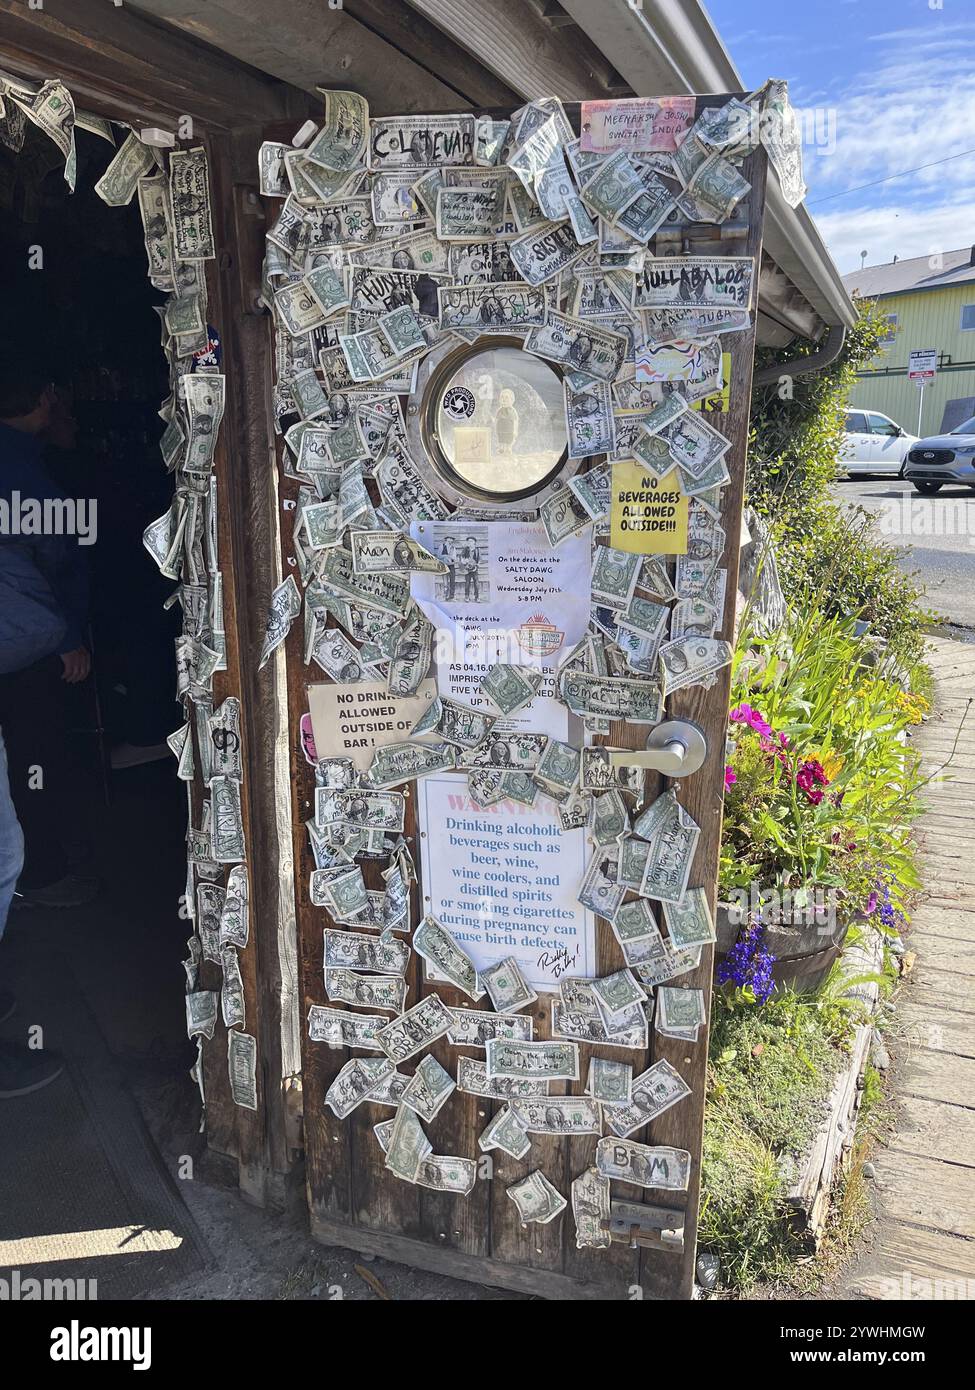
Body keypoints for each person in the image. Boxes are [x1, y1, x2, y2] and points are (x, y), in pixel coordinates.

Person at [0, 365, 97, 909]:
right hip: (22, 644)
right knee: (32, 756)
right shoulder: (22, 471)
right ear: (44, 397)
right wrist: (68, 635)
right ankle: (39, 877)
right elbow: (55, 557)